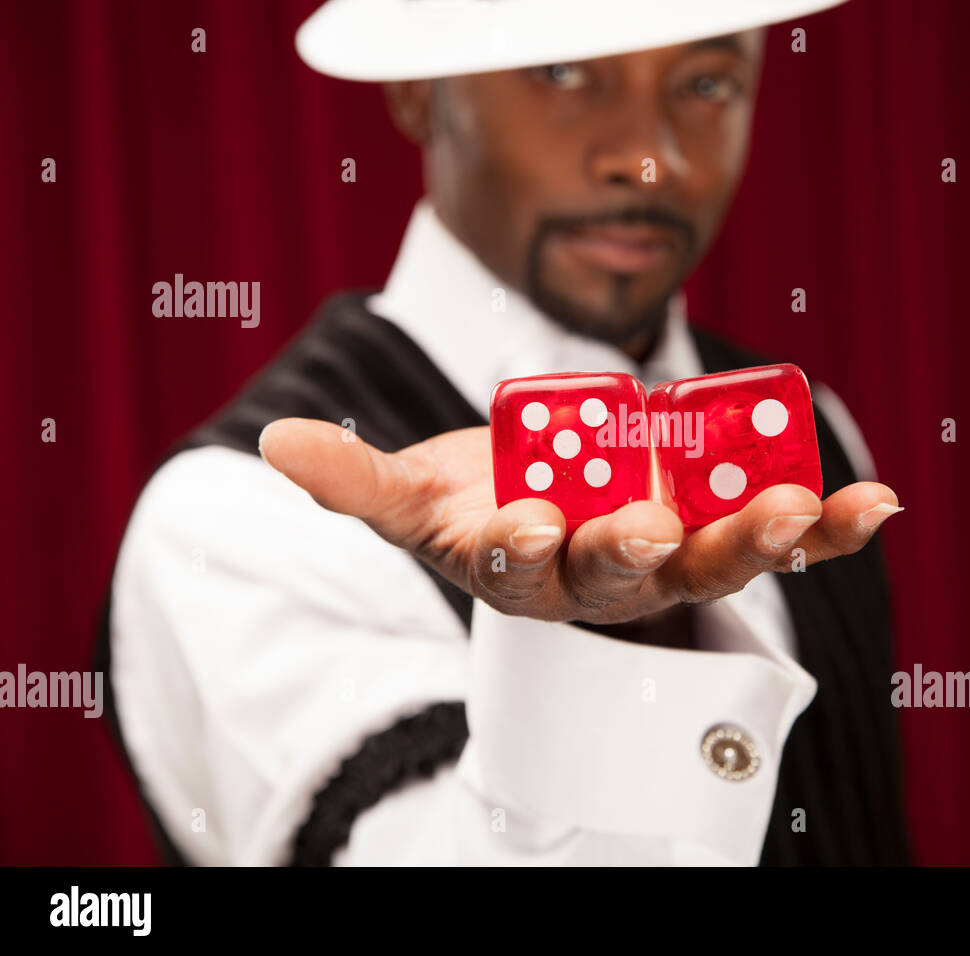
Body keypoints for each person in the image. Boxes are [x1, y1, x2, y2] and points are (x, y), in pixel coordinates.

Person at [97, 0, 910, 866]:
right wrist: (584, 637)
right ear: (416, 90)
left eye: (706, 83)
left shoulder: (816, 432)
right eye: (563, 72)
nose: (648, 161)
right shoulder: (236, 512)